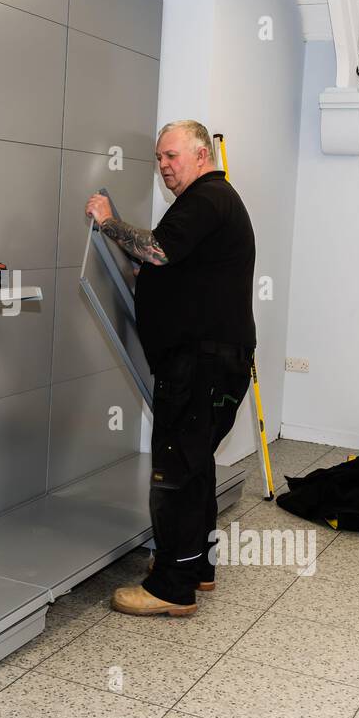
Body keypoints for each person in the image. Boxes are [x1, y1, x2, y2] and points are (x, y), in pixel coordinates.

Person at [84, 120, 256, 617]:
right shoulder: (211, 202)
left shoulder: (207, 198)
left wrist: (108, 222)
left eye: (171, 155)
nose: (163, 165)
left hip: (200, 366)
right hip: (213, 363)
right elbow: (177, 265)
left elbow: (159, 249)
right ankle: (197, 568)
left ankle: (171, 588)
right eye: (159, 157)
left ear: (202, 155)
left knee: (175, 471)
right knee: (195, 466)